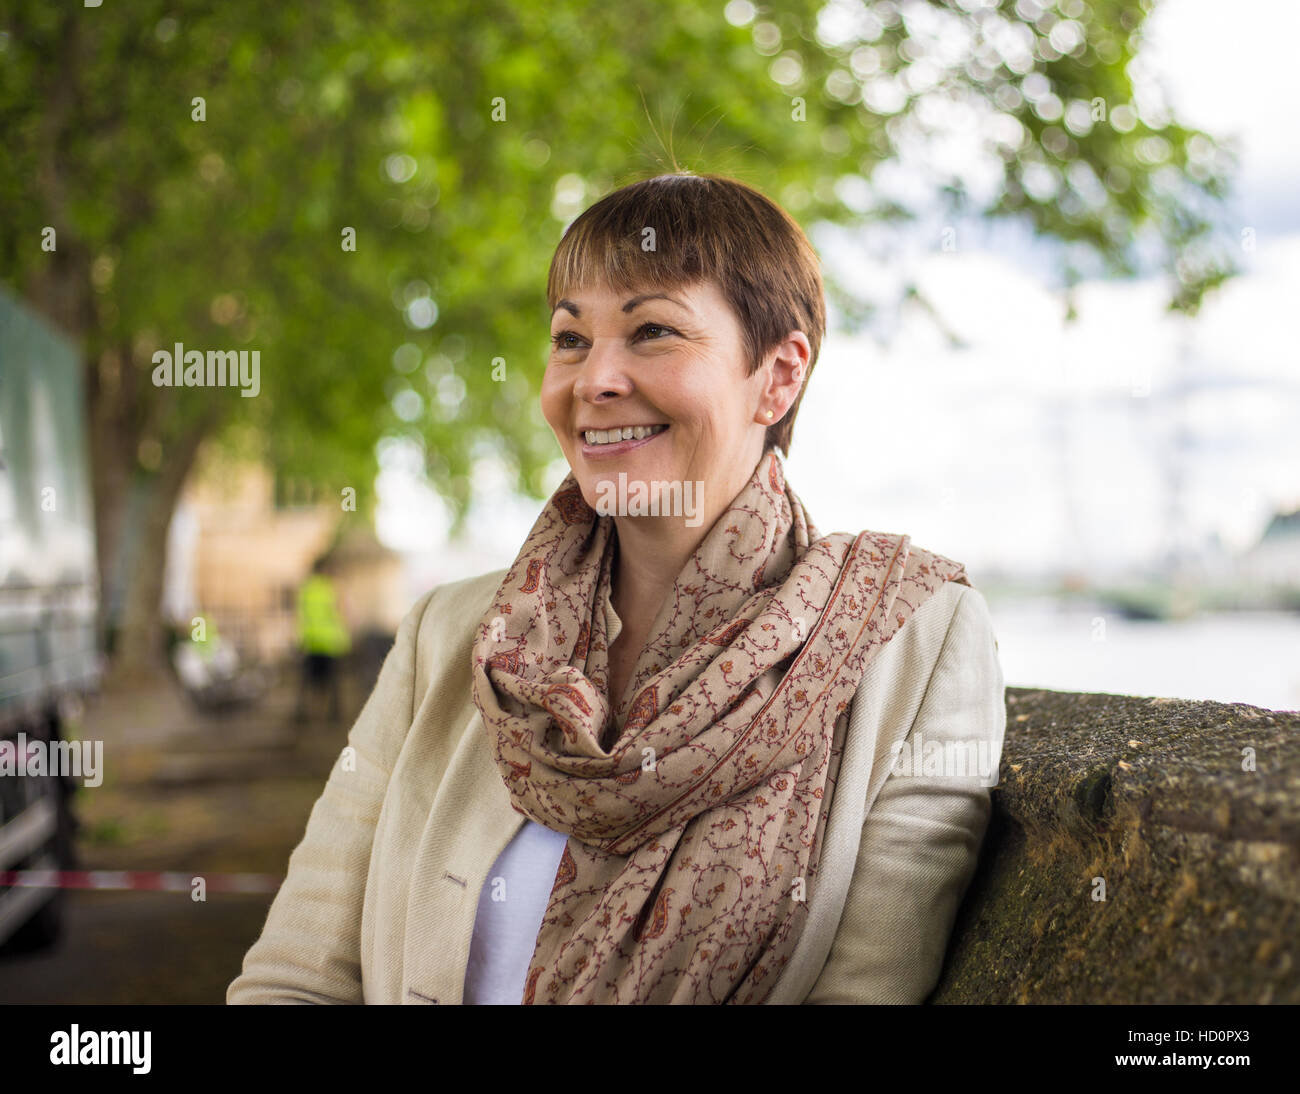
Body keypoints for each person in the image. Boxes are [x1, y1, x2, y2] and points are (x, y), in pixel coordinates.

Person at [229, 172, 1006, 1005]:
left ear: (778, 376)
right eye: (570, 339)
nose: (594, 379)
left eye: (653, 332)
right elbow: (296, 977)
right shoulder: (451, 635)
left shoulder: (911, 643)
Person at [291, 557, 350, 727]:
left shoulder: (306, 589)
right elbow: (341, 613)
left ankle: (302, 713)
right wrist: (344, 639)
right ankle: (334, 715)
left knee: (307, 680)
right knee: (333, 682)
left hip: (311, 641)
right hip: (330, 641)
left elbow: (301, 615)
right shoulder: (332, 588)